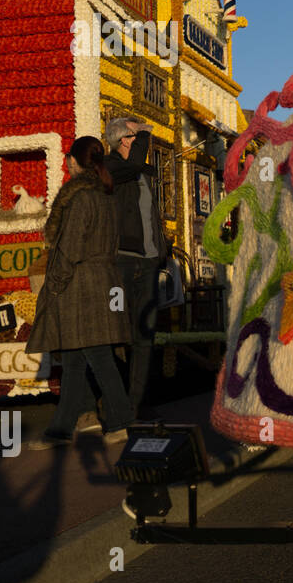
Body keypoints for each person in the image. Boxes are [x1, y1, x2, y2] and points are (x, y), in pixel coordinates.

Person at [26, 137, 133, 449]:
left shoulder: (81, 198)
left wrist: (54, 285)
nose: (67, 164)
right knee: (75, 359)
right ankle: (61, 430)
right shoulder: (106, 195)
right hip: (105, 280)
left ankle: (121, 421)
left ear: (75, 162)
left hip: (80, 284)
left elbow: (69, 249)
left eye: (69, 159)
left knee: (96, 356)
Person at [104, 116, 169, 416]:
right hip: (123, 263)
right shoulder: (111, 167)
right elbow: (135, 162)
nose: (140, 139)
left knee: (145, 336)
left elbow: (150, 215)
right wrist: (144, 133)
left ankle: (135, 405)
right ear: (121, 141)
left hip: (149, 262)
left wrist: (161, 253)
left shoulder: (141, 173)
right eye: (134, 136)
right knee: (117, 332)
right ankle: (115, 400)